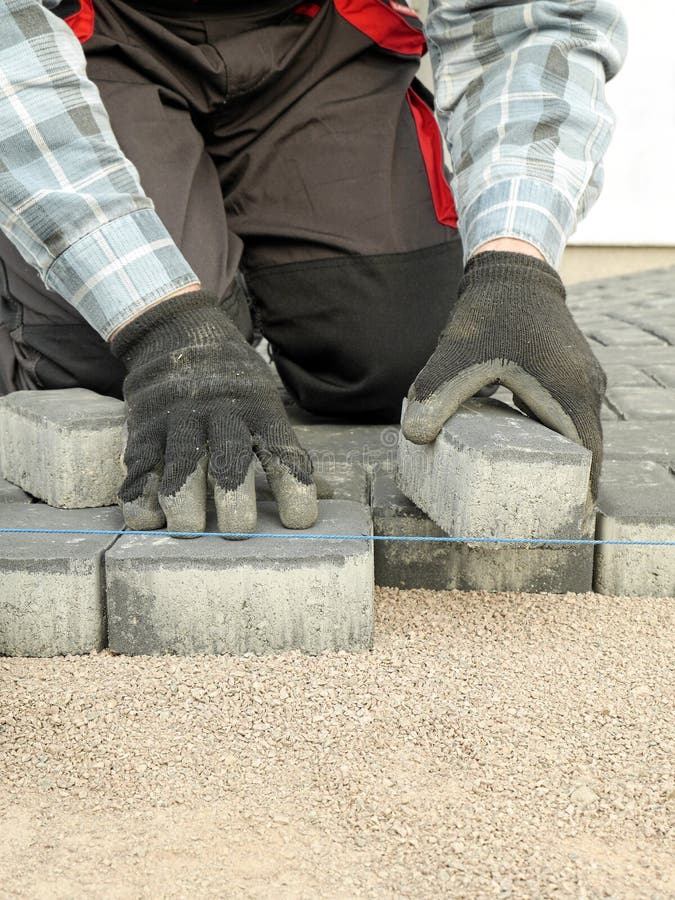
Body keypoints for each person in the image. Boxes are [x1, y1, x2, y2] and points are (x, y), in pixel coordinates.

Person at [0, 0, 626, 534]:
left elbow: (524, 19)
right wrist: (159, 322)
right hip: (90, 34)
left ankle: (217, 246)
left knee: (409, 354)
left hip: (312, 35)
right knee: (108, 359)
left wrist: (515, 266)